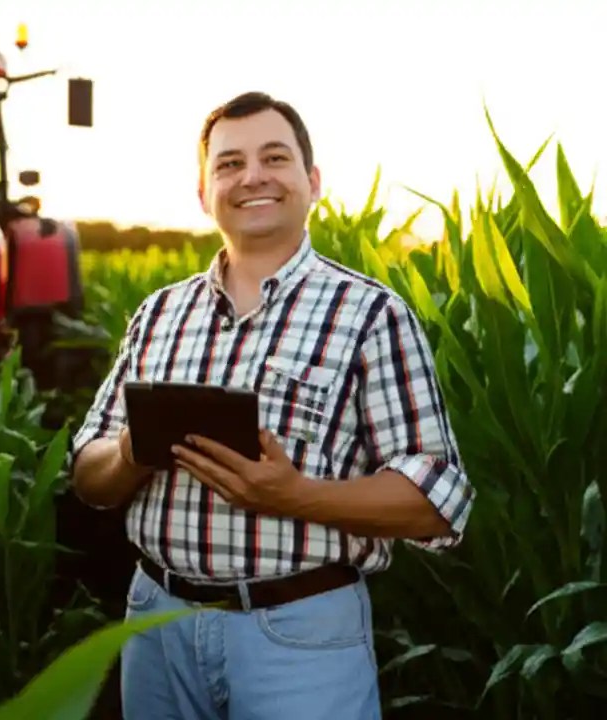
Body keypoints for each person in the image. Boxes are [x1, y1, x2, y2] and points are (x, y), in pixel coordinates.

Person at [69, 91, 475, 719]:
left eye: (274, 157)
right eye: (228, 164)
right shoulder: (158, 315)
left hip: (300, 632)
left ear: (311, 182)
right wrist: (130, 451)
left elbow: (437, 499)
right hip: (156, 622)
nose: (252, 176)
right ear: (203, 193)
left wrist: (292, 495)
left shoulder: (370, 315)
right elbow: (89, 476)